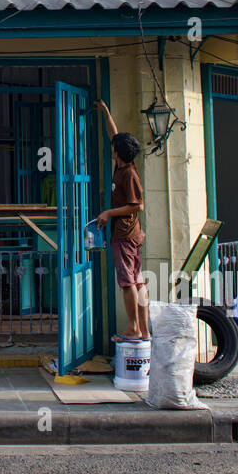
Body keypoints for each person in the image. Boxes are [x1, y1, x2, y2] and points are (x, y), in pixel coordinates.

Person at [94, 98, 149, 341]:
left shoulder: (128, 174)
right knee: (137, 281)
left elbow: (137, 205)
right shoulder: (122, 163)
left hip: (125, 235)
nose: (112, 147)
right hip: (130, 234)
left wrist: (108, 213)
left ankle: (134, 328)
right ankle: (145, 331)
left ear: (119, 153)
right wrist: (106, 113)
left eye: (114, 147)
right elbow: (114, 135)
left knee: (128, 283)